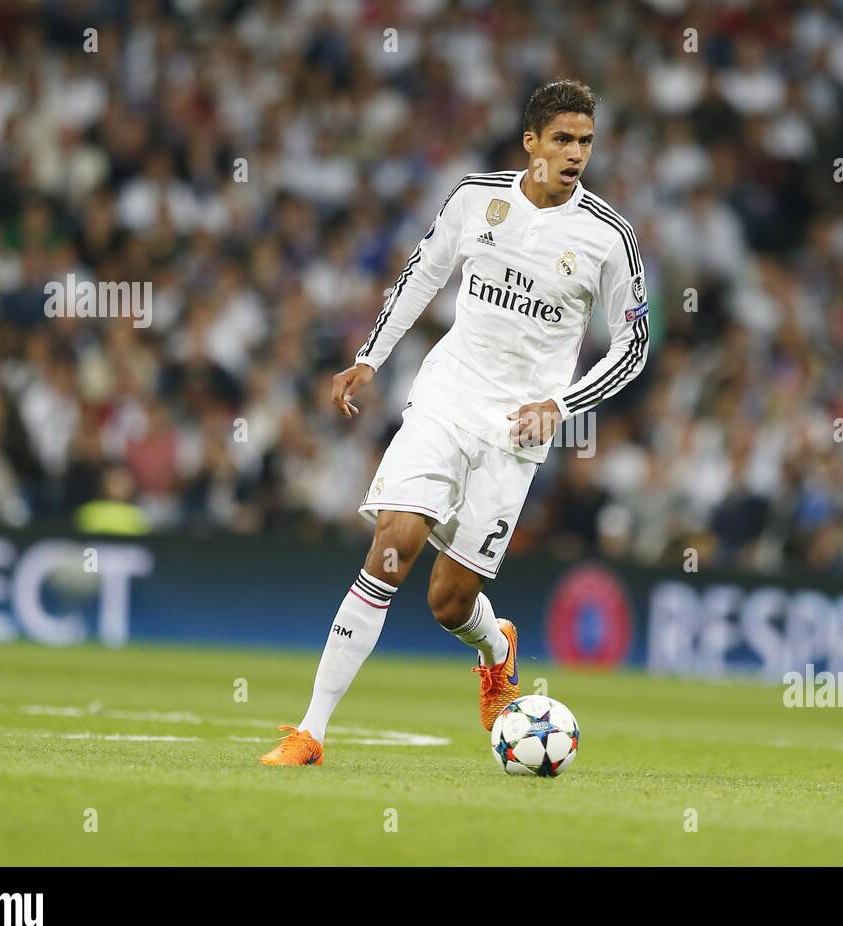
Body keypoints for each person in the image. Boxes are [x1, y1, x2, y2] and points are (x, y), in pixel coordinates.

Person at [260, 79, 651, 766]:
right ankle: (311, 731)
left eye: (585, 141)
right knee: (394, 543)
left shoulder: (606, 238)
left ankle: (495, 647)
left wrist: (560, 407)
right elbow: (421, 274)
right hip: (445, 400)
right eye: (562, 139)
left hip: (515, 436)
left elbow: (633, 345)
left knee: (449, 600)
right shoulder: (476, 198)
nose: (575, 153)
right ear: (530, 141)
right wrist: (369, 359)